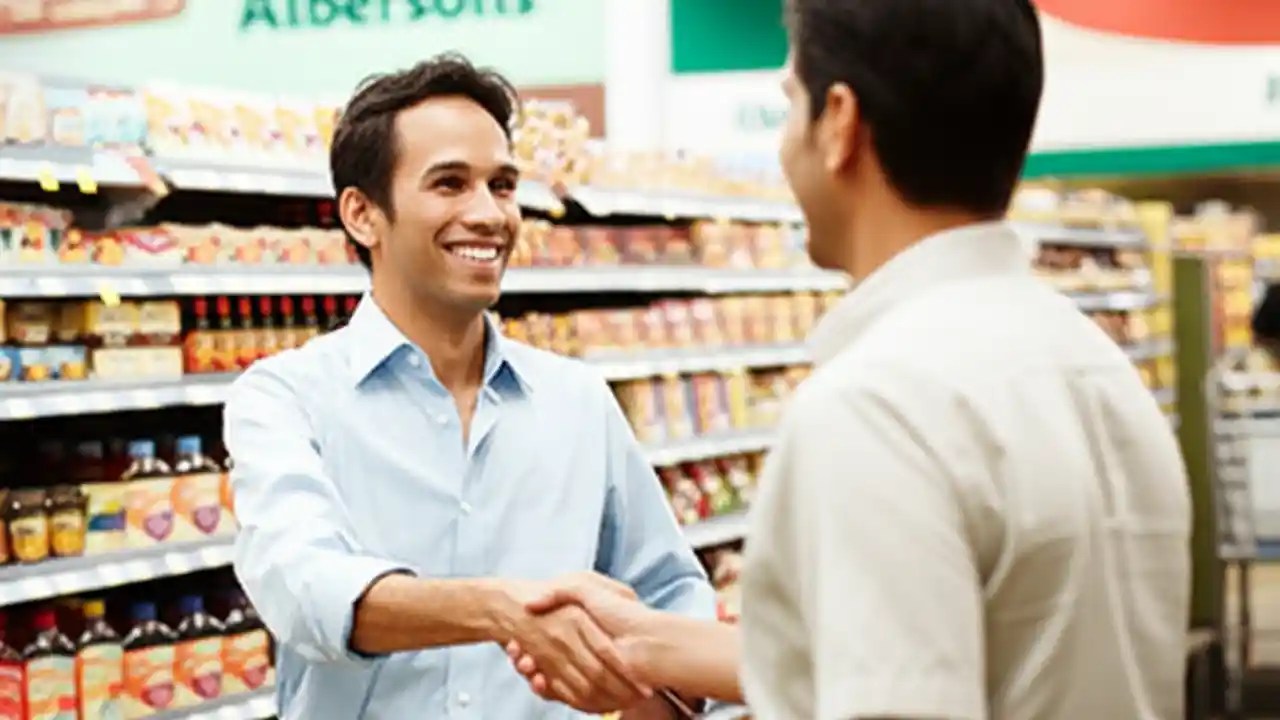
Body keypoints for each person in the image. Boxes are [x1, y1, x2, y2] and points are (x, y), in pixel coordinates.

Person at [508, 0, 1193, 718]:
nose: (782, 150)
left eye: (789, 107)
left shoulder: (876, 408)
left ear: (839, 122)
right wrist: (648, 643)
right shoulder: (1098, 369)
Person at [222, 53, 714, 719]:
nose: (489, 213)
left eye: (503, 185)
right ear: (362, 214)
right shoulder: (285, 397)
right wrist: (500, 611)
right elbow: (303, 586)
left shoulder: (578, 402)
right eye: (450, 184)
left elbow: (671, 591)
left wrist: (657, 698)